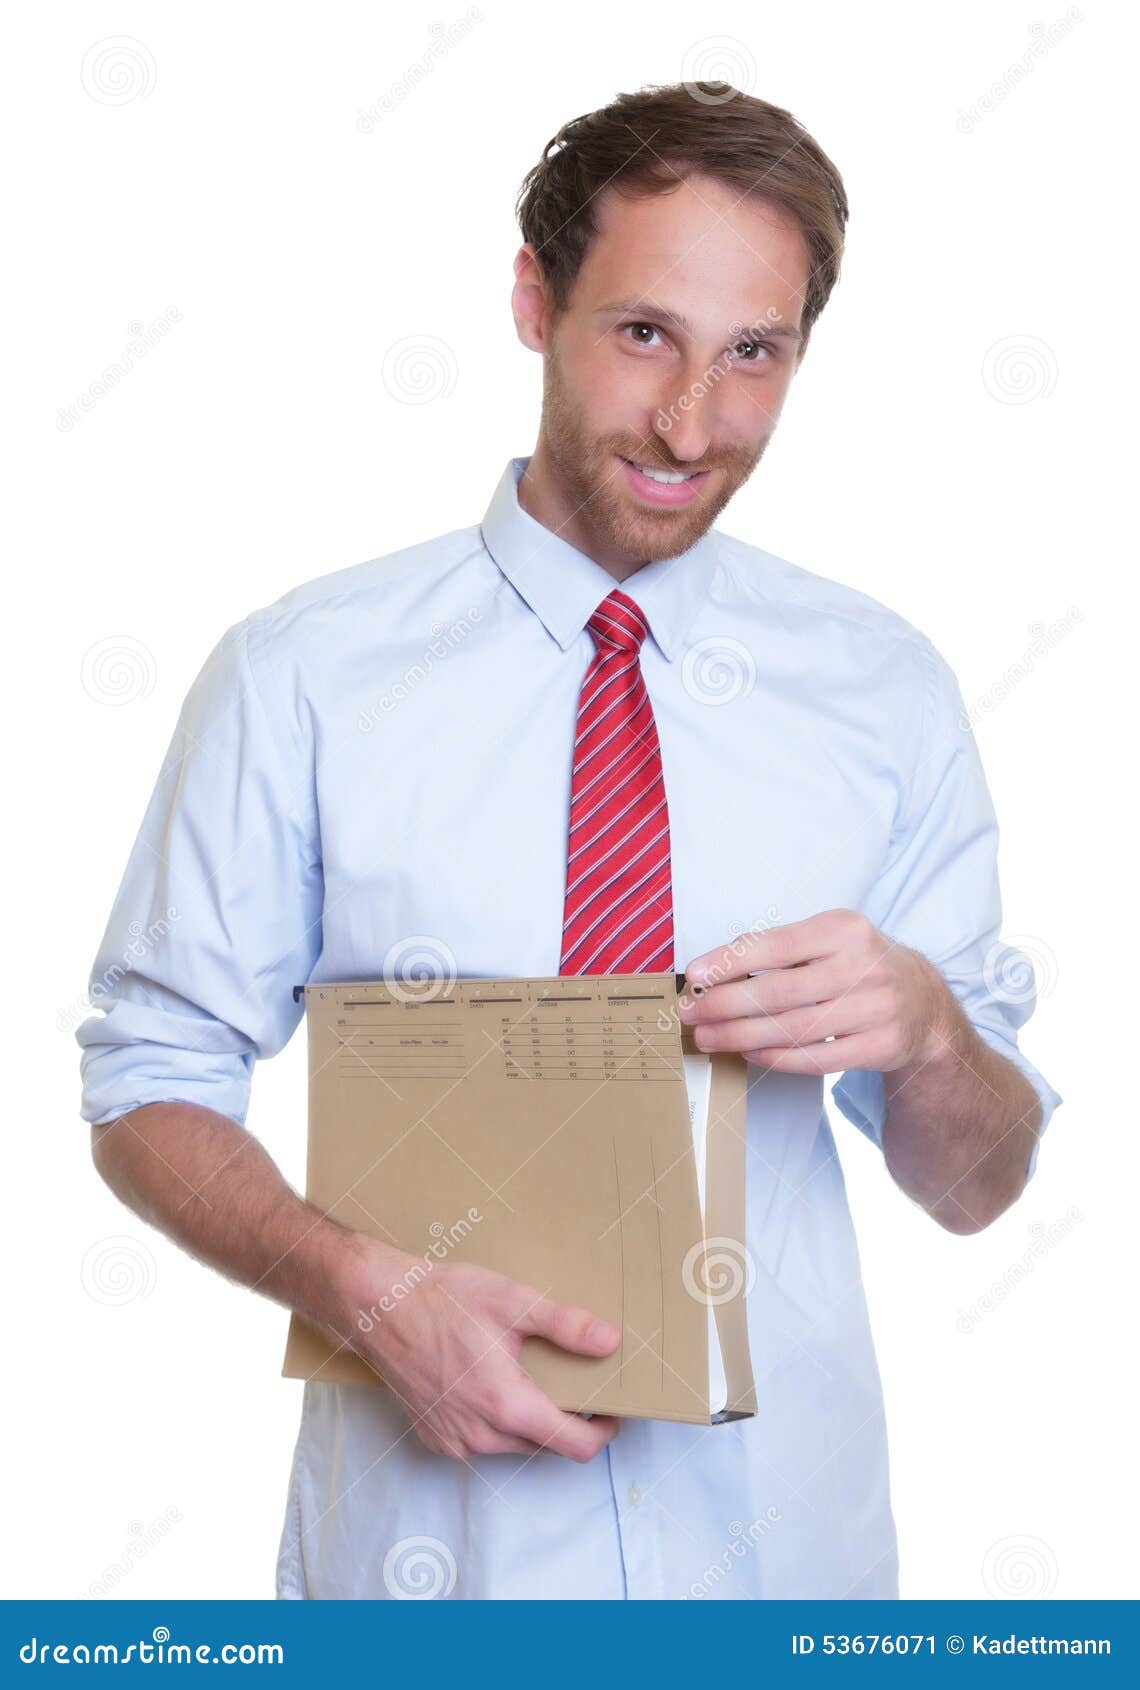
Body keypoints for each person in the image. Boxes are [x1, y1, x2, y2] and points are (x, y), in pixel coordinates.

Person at [77, 82, 1062, 1600]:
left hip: (781, 1572)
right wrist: (362, 1293)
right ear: (536, 300)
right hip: (432, 1570)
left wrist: (931, 1030)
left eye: (754, 354)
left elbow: (975, 1186)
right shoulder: (304, 674)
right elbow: (149, 1077)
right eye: (645, 333)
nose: (691, 421)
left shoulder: (885, 689)